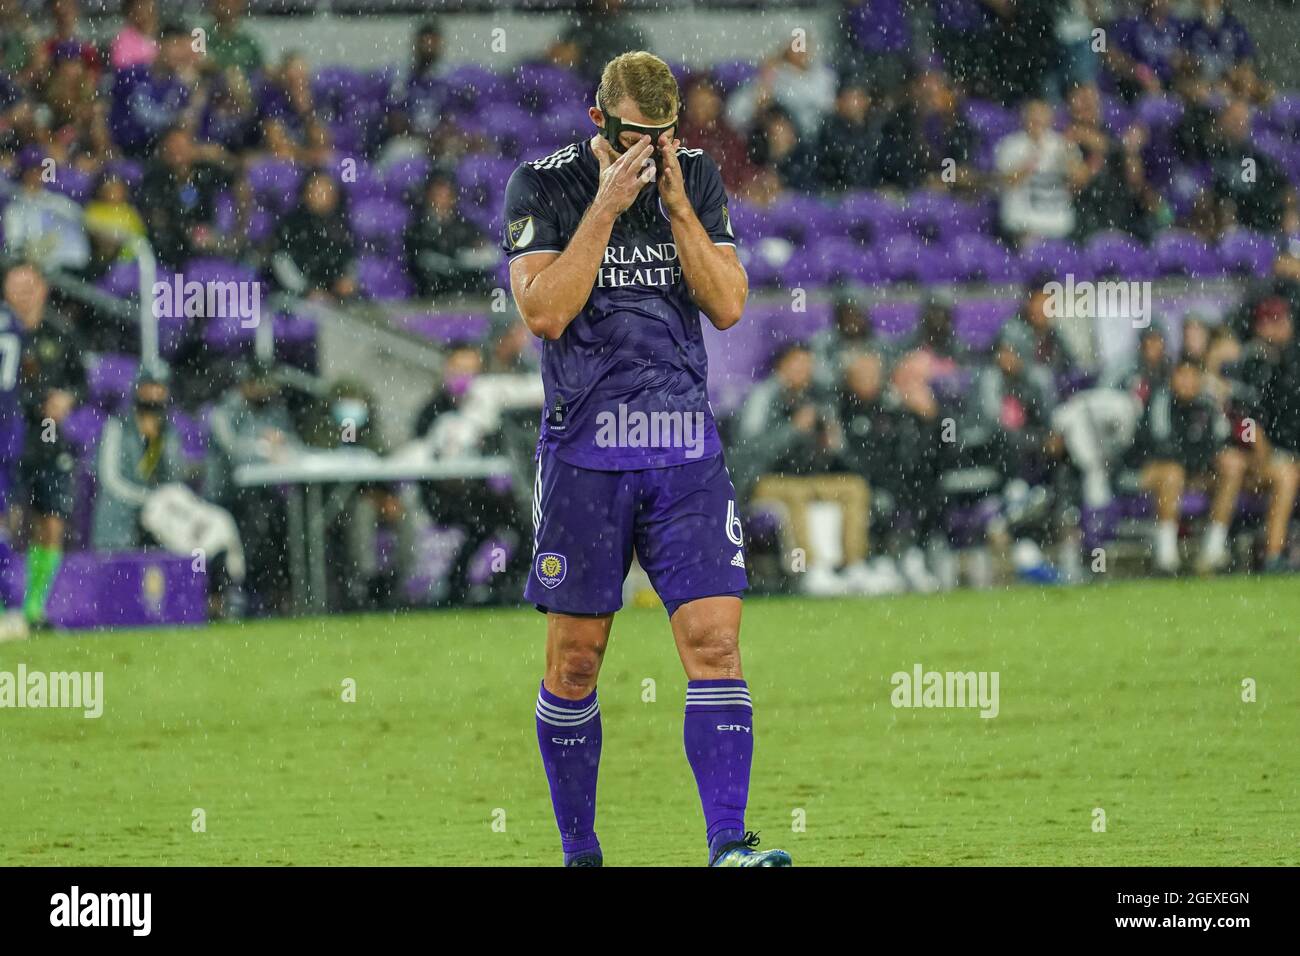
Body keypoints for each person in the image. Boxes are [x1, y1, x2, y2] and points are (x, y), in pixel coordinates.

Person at [502, 51, 789, 867]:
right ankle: (581, 853)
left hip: (682, 450)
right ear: (602, 122)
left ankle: (730, 846)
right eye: (639, 137)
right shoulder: (543, 185)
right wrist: (604, 206)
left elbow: (729, 304)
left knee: (715, 643)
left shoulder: (692, 178)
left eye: (665, 137)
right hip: (587, 455)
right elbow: (546, 313)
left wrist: (677, 210)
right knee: (576, 658)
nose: (655, 151)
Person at [734, 342, 873, 597]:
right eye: (797, 365)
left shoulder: (817, 397)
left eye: (807, 365)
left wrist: (832, 443)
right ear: (781, 367)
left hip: (809, 478)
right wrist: (793, 430)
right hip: (763, 480)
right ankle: (812, 568)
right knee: (797, 494)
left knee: (854, 488)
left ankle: (855, 565)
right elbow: (747, 451)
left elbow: (842, 454)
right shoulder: (763, 397)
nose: (803, 371)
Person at [9, 265, 85, 630]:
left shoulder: (61, 332)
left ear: (43, 289)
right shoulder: (6, 331)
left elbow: (81, 383)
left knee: (51, 523)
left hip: (49, 436)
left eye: (29, 285)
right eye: (15, 285)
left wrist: (66, 399)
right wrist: (33, 398)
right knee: (8, 519)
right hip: (9, 436)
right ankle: (9, 602)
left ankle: (33, 608)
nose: (22, 292)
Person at [1131, 358, 1241, 574]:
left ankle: (1213, 550)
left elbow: (1220, 442)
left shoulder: (1208, 406)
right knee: (1172, 473)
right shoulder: (1160, 400)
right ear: (1172, 378)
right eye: (1181, 375)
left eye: (1192, 376)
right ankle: (1166, 557)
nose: (1186, 382)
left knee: (1232, 464)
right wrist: (1196, 467)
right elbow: (1161, 447)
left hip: (1192, 473)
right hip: (1144, 473)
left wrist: (1201, 469)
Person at [994, 99, 1086, 246]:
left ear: (1050, 117)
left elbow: (1080, 180)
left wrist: (1069, 158)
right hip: (1025, 227)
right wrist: (1028, 163)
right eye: (1033, 115)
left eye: (1041, 115)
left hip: (1060, 228)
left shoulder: (1062, 143)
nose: (1037, 120)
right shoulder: (1010, 145)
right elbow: (1005, 183)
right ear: (1024, 117)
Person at [271, 170, 357, 301]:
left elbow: (351, 259)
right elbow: (281, 261)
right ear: (306, 194)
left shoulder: (341, 223)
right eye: (318, 191)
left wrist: (347, 280)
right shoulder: (291, 224)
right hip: (294, 296)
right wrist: (306, 290)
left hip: (334, 298)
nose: (324, 196)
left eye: (329, 191)